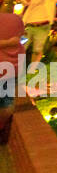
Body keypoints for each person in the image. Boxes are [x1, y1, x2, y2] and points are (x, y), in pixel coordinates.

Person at [0, 11, 26, 145]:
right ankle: (2, 127)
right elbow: (20, 37)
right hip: (11, 67)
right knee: (6, 102)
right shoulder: (15, 19)